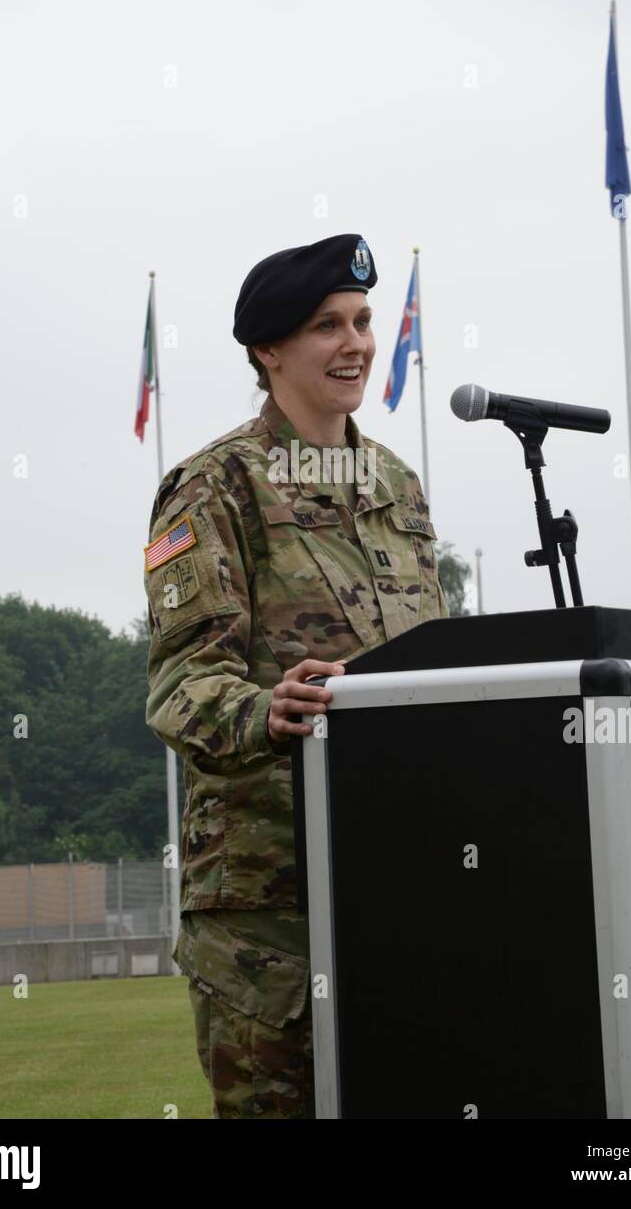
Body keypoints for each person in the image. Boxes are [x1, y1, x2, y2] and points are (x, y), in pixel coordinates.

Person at [143, 233, 448, 1119]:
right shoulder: (214, 487)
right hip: (265, 913)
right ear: (267, 351)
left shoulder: (396, 484)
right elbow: (181, 687)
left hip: (396, 876)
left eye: (361, 320)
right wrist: (266, 710)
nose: (355, 342)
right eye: (327, 326)